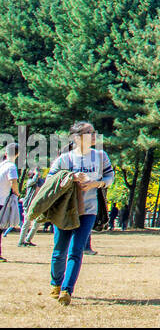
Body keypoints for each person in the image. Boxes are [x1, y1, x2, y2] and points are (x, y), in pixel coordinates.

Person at [48, 122, 114, 304]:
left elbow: (110, 178)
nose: (94, 136)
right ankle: (55, 283)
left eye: (94, 132)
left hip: (89, 210)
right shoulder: (65, 159)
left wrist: (95, 183)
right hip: (65, 211)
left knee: (76, 250)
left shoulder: (101, 157)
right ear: (77, 137)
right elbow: (50, 180)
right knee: (59, 250)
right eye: (89, 133)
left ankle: (67, 290)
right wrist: (71, 178)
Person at [0, 142, 20, 260]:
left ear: (6, 153)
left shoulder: (2, 165)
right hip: (1, 200)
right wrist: (17, 193)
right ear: (17, 154)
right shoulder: (11, 167)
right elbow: (13, 182)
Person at [18, 167, 44, 246]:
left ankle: (28, 240)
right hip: (28, 205)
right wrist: (36, 174)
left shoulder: (40, 182)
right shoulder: (30, 182)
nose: (39, 173)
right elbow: (33, 181)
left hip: (37, 205)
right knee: (27, 223)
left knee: (38, 223)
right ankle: (21, 242)